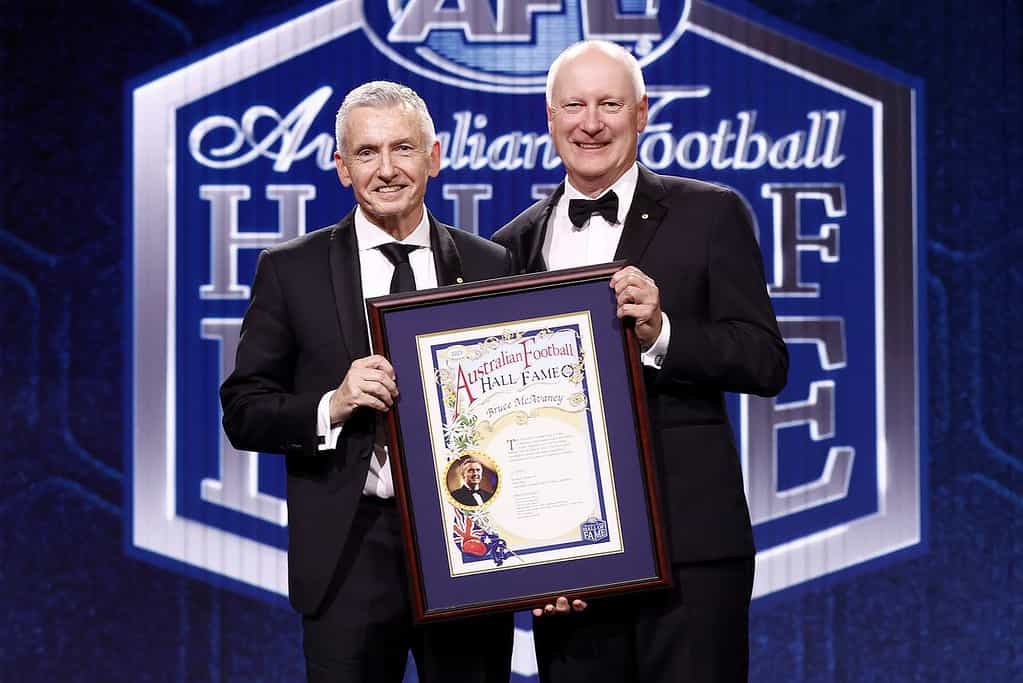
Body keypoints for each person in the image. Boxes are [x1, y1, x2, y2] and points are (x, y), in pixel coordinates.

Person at [492, 41, 789, 682]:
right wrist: (529, 559)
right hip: (572, 567)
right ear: (550, 117)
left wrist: (662, 333)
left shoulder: (710, 214)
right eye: (574, 106)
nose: (591, 123)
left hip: (691, 552)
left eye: (609, 104)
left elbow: (765, 361)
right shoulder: (509, 246)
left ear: (642, 113)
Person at [220, 81, 514, 683]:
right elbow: (243, 410)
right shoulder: (291, 270)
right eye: (366, 152)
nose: (386, 169)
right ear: (341, 167)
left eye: (402, 148)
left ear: (433, 156)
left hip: (469, 540)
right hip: (350, 548)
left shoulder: (490, 264)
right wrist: (333, 403)